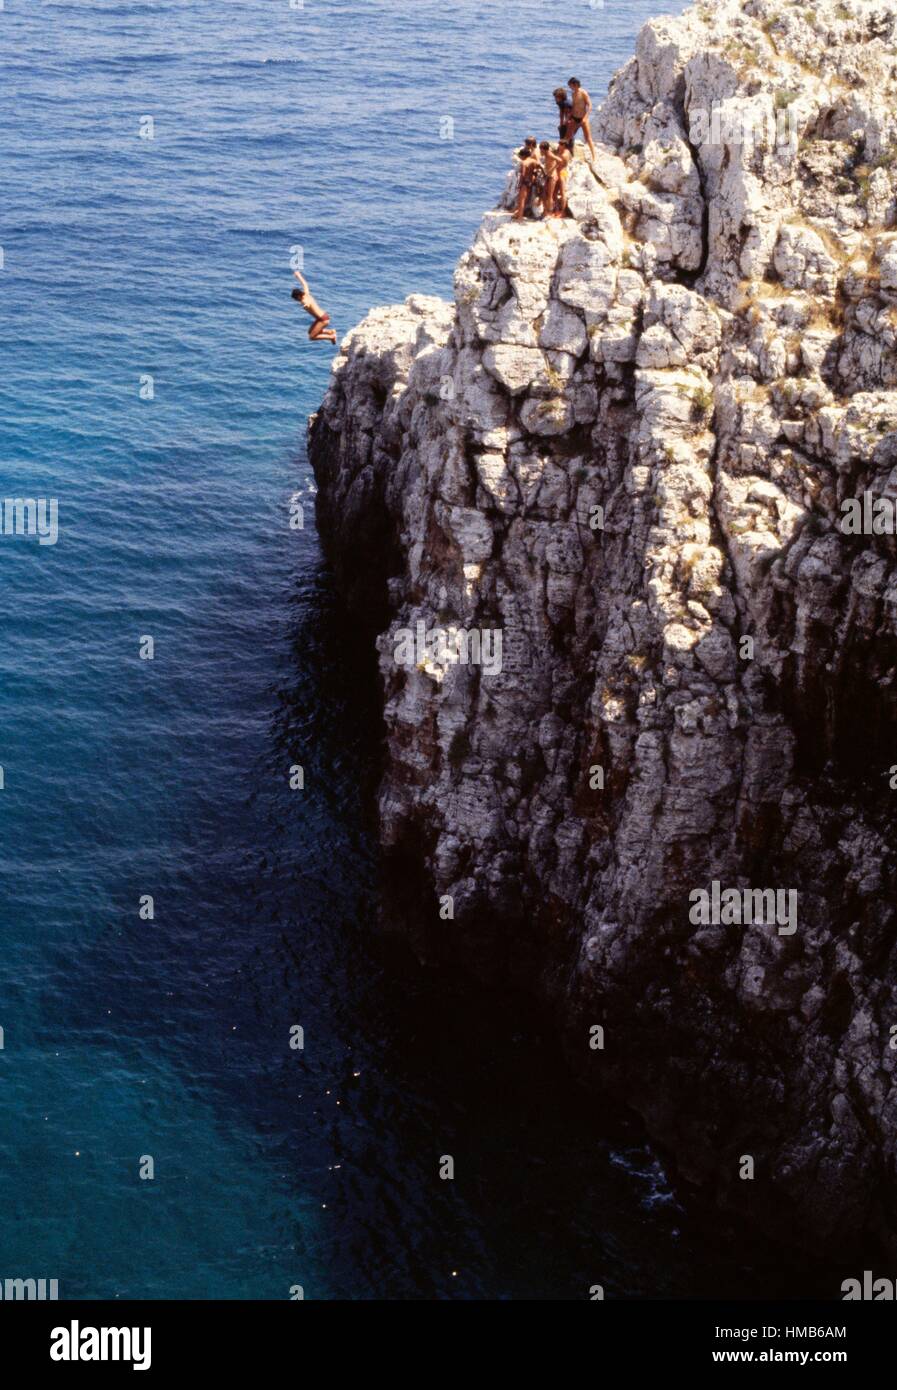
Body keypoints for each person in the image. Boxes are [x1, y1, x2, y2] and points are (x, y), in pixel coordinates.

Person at [292, 270, 337, 343]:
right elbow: (305, 284)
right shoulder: (306, 293)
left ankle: (331, 337)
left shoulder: (304, 300)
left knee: (311, 337)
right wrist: (298, 275)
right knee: (310, 332)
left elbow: (307, 303)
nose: (296, 300)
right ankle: (330, 332)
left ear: (299, 296)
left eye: (296, 299)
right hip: (321, 317)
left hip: (323, 319)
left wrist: (306, 305)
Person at [568, 77, 597, 162]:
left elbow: (590, 105)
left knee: (588, 138)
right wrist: (570, 117)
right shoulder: (573, 94)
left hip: (583, 118)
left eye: (571, 86)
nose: (570, 88)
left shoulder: (583, 92)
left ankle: (594, 157)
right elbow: (574, 106)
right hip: (575, 118)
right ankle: (571, 154)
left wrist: (585, 117)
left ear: (575, 84)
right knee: (570, 136)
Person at [513, 146, 543, 221]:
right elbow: (540, 167)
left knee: (521, 200)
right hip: (531, 182)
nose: (520, 157)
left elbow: (523, 175)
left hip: (525, 182)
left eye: (520, 156)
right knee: (526, 199)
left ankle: (520, 217)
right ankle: (518, 213)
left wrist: (519, 184)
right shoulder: (533, 161)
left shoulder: (524, 163)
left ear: (523, 155)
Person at [539, 140, 562, 218]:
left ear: (544, 149)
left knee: (550, 195)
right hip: (548, 176)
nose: (540, 151)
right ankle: (545, 211)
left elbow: (560, 160)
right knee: (544, 194)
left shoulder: (549, 154)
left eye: (541, 149)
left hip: (552, 176)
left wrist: (553, 169)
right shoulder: (546, 154)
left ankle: (549, 212)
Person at [551, 140, 573, 218]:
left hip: (561, 173)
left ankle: (562, 212)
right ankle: (557, 210)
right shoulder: (567, 151)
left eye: (560, 144)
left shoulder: (563, 155)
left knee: (562, 193)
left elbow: (557, 164)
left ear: (564, 145)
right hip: (564, 172)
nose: (558, 145)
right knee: (555, 193)